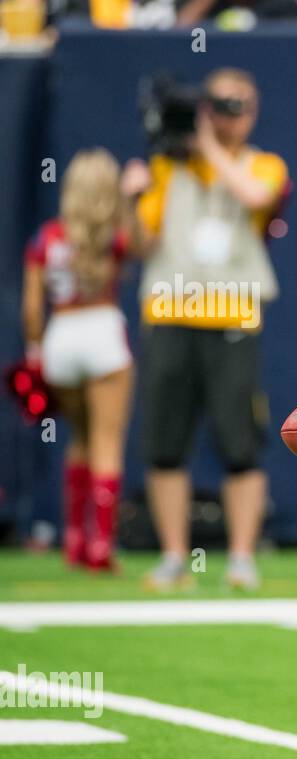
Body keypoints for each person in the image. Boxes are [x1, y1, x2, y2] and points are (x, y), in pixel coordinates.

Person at [130, 67, 290, 592]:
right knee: (165, 445)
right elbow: (139, 247)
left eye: (237, 105)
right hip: (173, 312)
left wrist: (207, 143)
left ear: (256, 111)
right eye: (218, 104)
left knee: (240, 443)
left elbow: (253, 197)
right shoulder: (165, 167)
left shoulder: (263, 164)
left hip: (234, 315)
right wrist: (132, 200)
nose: (227, 116)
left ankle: (242, 558)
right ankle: (176, 557)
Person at [21, 149, 138, 572]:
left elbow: (32, 310)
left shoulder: (46, 238)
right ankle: (101, 548)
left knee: (79, 439)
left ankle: (73, 542)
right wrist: (131, 198)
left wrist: (35, 355)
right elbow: (144, 244)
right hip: (102, 331)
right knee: (107, 440)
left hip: (60, 340)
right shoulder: (114, 235)